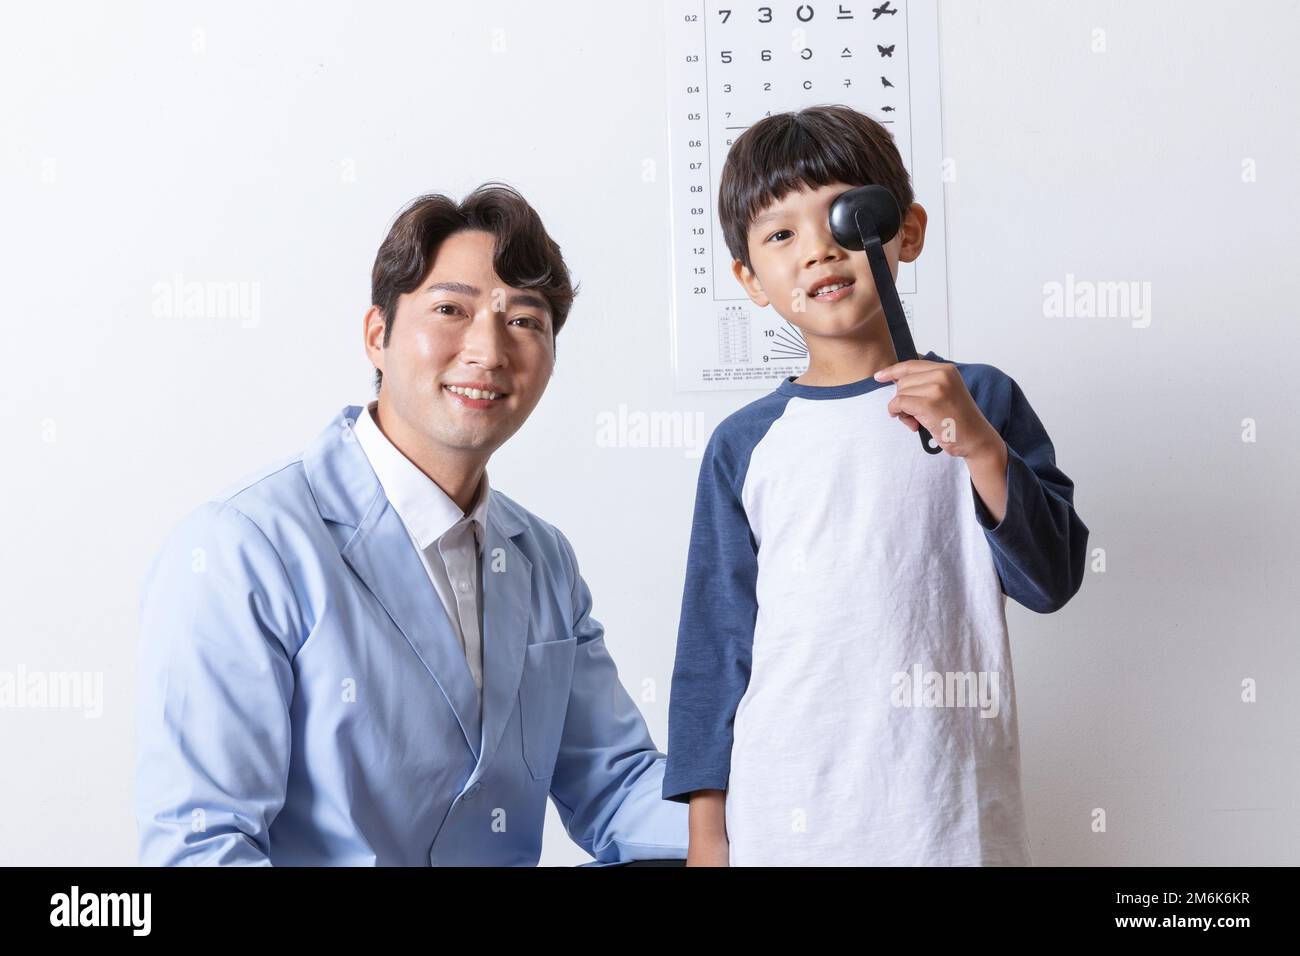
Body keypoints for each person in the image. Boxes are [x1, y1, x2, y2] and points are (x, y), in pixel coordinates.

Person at [135, 183, 688, 866]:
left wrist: (790, 818)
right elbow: (202, 844)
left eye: (524, 320)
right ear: (378, 335)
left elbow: (615, 788)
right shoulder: (244, 545)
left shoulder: (543, 557)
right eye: (451, 309)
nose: (488, 350)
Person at [662, 105, 1090, 866]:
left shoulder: (982, 400)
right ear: (750, 279)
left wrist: (978, 443)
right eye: (781, 234)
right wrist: (706, 836)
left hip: (949, 816)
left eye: (841, 216)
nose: (819, 250)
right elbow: (715, 645)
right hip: (785, 814)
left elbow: (1051, 579)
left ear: (906, 231)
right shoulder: (744, 446)